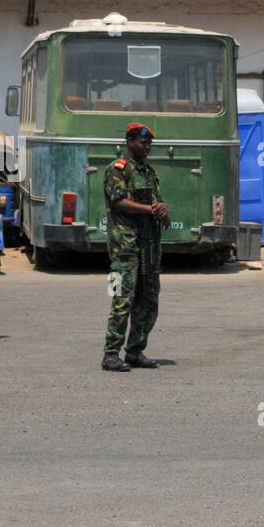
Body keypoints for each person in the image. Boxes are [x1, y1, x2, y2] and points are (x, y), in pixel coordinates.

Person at [101, 122, 168, 371]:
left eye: (150, 143)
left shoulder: (149, 172)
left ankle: (135, 351)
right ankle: (110, 353)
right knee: (121, 299)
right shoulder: (117, 169)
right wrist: (150, 209)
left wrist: (162, 211)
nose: (147, 147)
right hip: (124, 249)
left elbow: (156, 202)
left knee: (148, 300)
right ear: (130, 142)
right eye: (143, 143)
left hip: (148, 247)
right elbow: (119, 202)